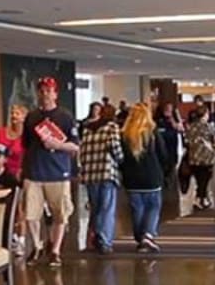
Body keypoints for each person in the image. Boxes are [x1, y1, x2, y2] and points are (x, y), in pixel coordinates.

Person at [20, 77, 79, 267]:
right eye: (42, 91)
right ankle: (37, 246)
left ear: (55, 93)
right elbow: (26, 144)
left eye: (49, 91)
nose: (45, 94)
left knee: (59, 213)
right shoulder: (31, 117)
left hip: (57, 172)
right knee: (31, 214)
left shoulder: (65, 116)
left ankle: (55, 250)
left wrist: (58, 145)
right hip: (34, 172)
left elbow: (75, 146)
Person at [120, 105, 165, 253]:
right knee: (153, 207)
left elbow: (121, 158)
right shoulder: (152, 133)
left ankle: (140, 238)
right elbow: (163, 154)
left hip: (132, 179)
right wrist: (166, 171)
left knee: (137, 209)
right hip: (152, 177)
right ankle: (148, 234)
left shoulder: (124, 134)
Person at [78, 105, 123, 253]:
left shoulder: (87, 129)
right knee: (107, 208)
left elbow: (82, 152)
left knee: (96, 208)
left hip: (90, 174)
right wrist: (121, 160)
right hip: (106, 172)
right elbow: (115, 148)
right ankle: (105, 240)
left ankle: (95, 235)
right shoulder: (112, 127)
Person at [184, 108, 215, 210]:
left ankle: (200, 199)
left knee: (199, 179)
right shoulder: (208, 127)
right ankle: (200, 199)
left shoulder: (190, 127)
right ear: (205, 115)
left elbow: (186, 141)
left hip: (193, 158)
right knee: (205, 179)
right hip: (207, 158)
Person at [0, 104, 27, 181]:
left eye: (17, 114)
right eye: (12, 113)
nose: (13, 115)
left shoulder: (27, 135)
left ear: (24, 118)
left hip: (19, 175)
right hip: (1, 173)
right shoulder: (1, 132)